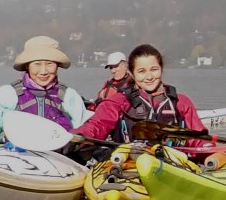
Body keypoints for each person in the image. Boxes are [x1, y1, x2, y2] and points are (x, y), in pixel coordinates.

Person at [0, 35, 88, 148]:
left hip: (60, 160)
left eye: (50, 64)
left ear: (57, 65)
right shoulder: (4, 96)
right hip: (17, 159)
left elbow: (84, 133)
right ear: (26, 66)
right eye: (37, 64)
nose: (43, 71)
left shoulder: (70, 96)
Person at [72, 42, 209, 142]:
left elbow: (198, 139)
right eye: (142, 71)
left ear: (162, 69)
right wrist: (76, 135)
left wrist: (212, 153)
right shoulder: (119, 101)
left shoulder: (181, 102)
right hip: (129, 165)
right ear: (132, 73)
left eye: (154, 69)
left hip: (173, 164)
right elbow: (97, 125)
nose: (149, 77)